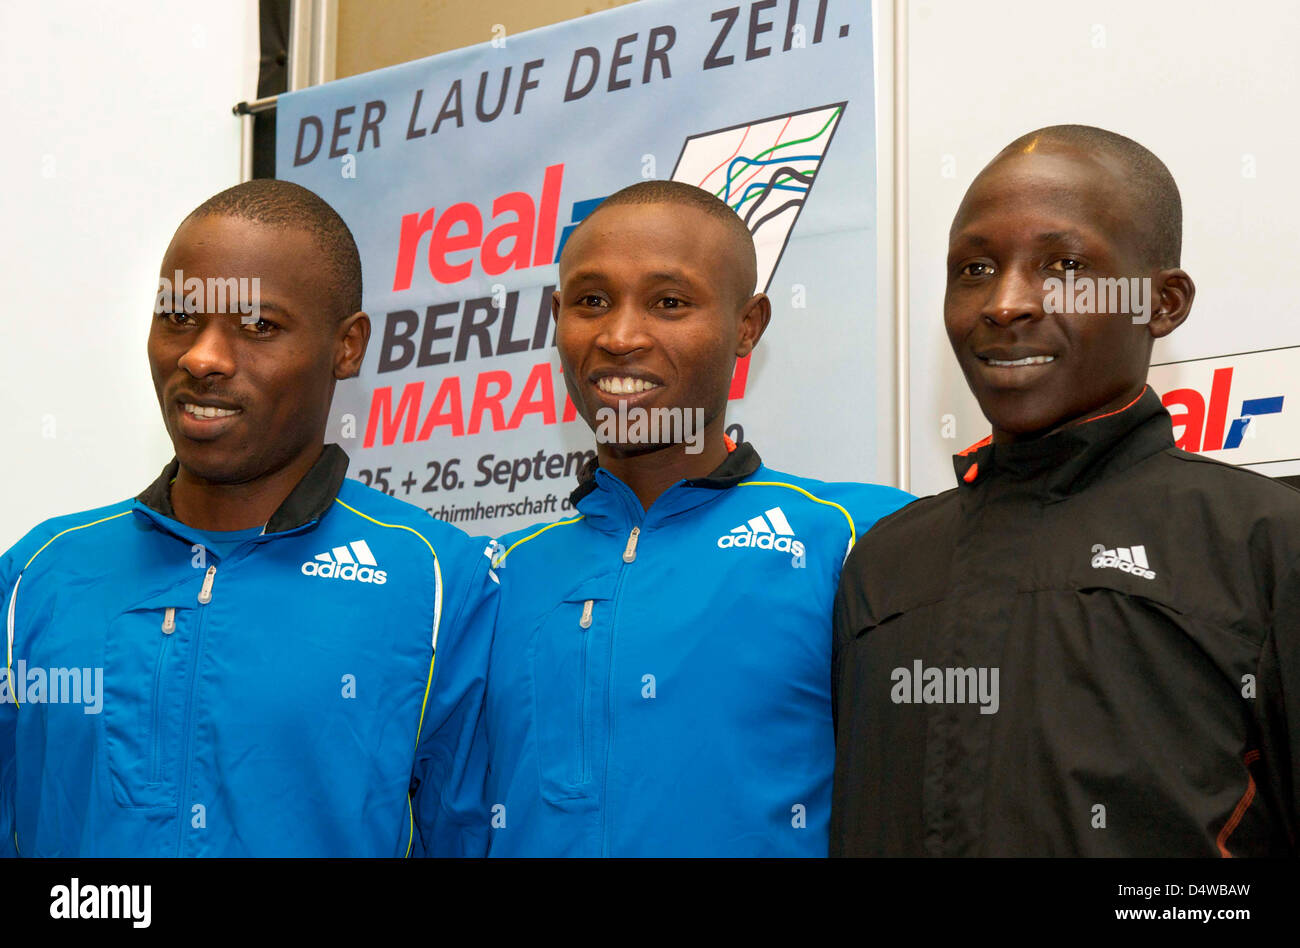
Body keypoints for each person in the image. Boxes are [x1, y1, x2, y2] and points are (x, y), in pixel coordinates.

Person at [831, 125, 1300, 856]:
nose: (1006, 302)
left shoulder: (1262, 539)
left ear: (1163, 303)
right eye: (975, 268)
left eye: (1066, 265)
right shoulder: (884, 561)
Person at [0, 179, 496, 856]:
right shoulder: (39, 573)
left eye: (258, 326)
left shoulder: (436, 581)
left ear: (347, 347)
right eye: (179, 317)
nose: (202, 357)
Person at [483, 180, 913, 857]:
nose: (621, 336)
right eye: (592, 302)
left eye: (670, 302)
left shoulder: (859, 537)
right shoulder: (493, 575)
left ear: (748, 326)